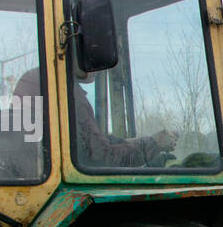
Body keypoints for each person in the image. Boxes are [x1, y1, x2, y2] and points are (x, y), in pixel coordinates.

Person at [12, 67, 176, 168]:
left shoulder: (35, 79)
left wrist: (130, 142)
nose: (99, 68)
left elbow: (86, 142)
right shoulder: (65, 92)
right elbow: (101, 158)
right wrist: (154, 144)